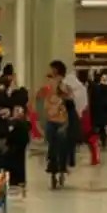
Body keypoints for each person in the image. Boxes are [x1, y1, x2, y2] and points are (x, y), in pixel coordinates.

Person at [39, 60, 74, 189]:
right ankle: (53, 169)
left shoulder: (65, 85)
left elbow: (69, 101)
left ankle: (61, 169)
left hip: (62, 121)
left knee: (61, 146)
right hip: (51, 119)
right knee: (52, 146)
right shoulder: (48, 86)